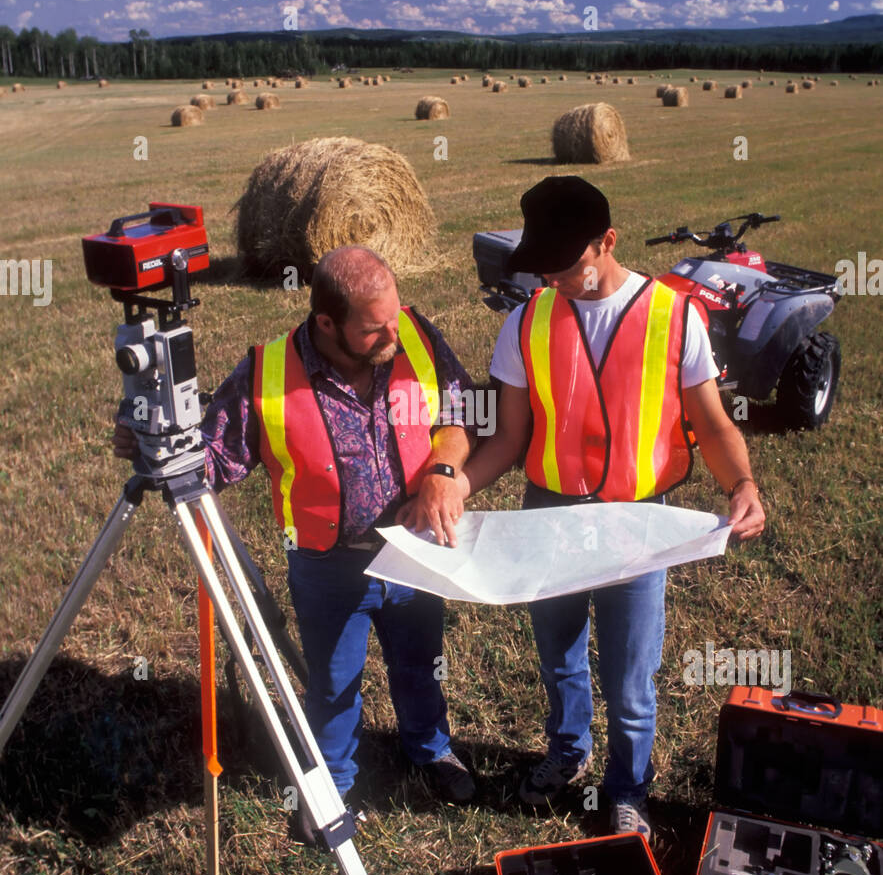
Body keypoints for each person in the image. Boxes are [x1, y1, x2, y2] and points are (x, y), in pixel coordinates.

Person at [414, 177, 765, 840]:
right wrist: (460, 483)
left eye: (566, 266)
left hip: (637, 524)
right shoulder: (526, 321)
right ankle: (565, 753)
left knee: (629, 679)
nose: (553, 280)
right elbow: (510, 437)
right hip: (549, 517)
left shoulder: (674, 317)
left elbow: (712, 424)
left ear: (606, 242)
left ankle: (627, 787)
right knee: (558, 659)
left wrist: (739, 483)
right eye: (543, 268)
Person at [114, 246, 476, 836]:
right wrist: (157, 447)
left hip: (414, 549)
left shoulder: (412, 333)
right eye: (375, 326)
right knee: (333, 685)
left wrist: (443, 470)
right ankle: (332, 786)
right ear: (327, 323)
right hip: (326, 566)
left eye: (395, 316)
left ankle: (430, 749)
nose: (394, 331)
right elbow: (215, 461)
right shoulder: (267, 372)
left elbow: (459, 413)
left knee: (420, 665)